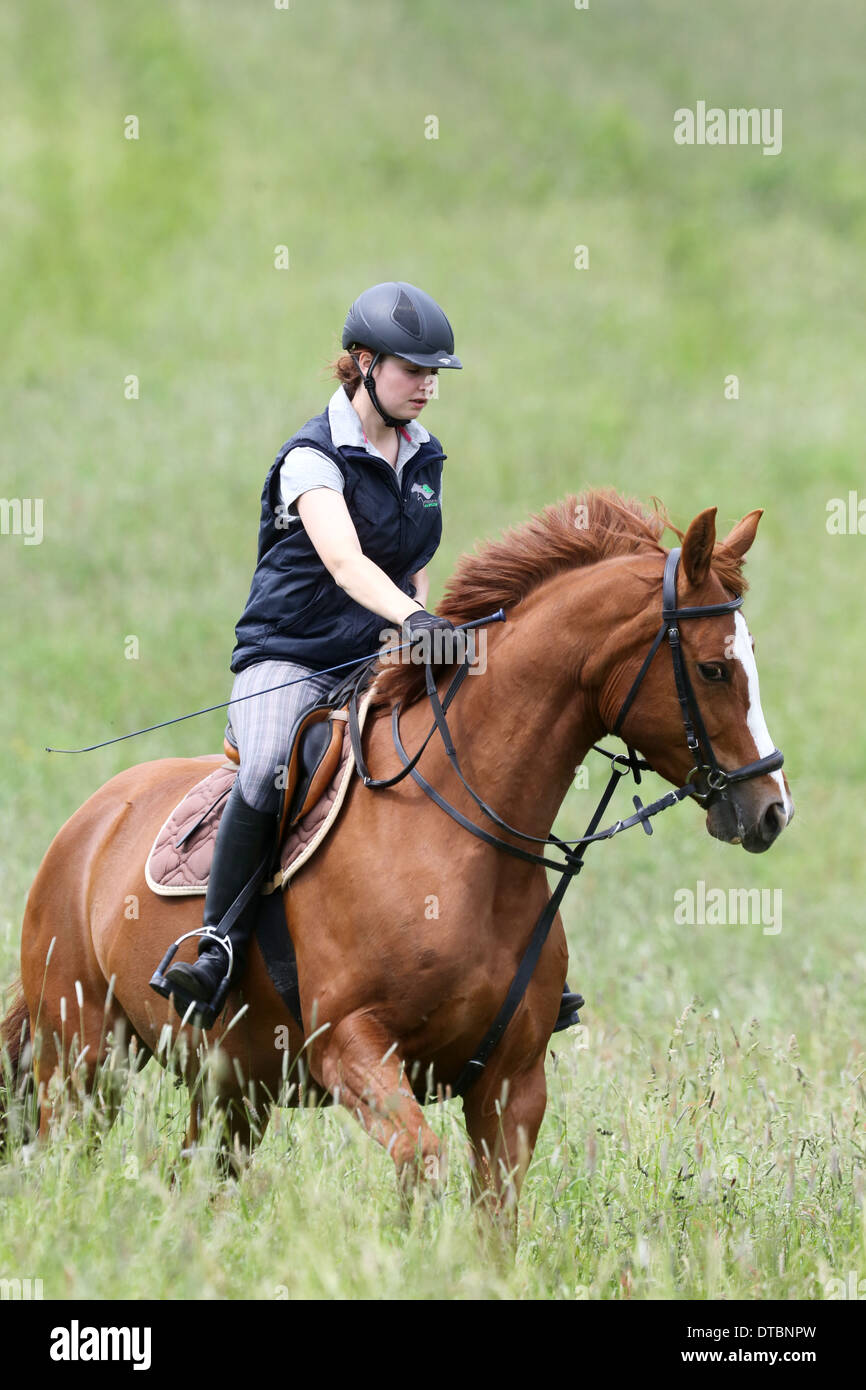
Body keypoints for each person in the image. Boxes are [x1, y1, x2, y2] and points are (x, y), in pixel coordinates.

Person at [152, 280, 582, 1033]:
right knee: (264, 769)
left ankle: (507, 952)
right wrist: (416, 618)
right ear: (362, 363)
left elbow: (409, 560)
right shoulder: (310, 461)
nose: (428, 387)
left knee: (472, 741)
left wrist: (425, 633)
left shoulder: (422, 455)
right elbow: (349, 565)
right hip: (287, 655)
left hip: (373, 653)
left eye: (435, 374)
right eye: (414, 370)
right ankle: (218, 940)